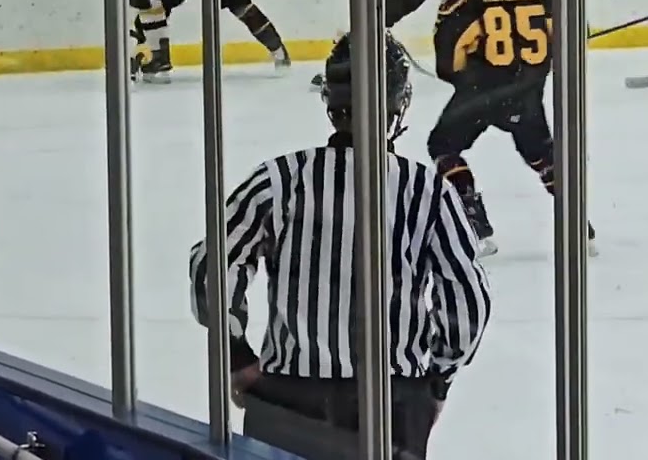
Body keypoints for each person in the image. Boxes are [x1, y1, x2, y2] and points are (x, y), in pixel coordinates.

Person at [188, 34, 491, 460]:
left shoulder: (281, 179)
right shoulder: (427, 191)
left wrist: (238, 356)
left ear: (330, 102)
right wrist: (437, 383)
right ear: (399, 103)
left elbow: (212, 266)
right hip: (392, 399)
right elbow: (467, 301)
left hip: (288, 395)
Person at [428, 0, 597, 258]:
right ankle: (581, 228)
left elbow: (449, 53)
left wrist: (463, 78)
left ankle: (477, 227)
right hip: (526, 95)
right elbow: (576, 31)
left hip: (480, 92)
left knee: (442, 146)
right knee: (544, 158)